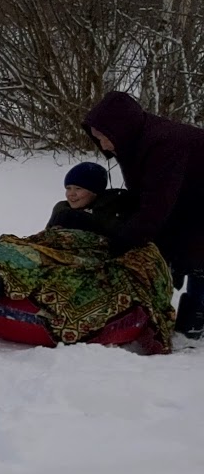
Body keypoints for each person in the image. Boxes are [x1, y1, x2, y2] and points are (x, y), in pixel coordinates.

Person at [0, 162, 176, 352]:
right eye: (68, 188)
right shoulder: (62, 208)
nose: (71, 194)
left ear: (95, 191)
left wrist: (81, 226)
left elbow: (112, 241)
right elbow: (49, 237)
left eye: (79, 189)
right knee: (6, 247)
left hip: (83, 258)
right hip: (54, 250)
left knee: (21, 259)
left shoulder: (112, 209)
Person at [82, 91, 204, 339]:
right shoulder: (134, 142)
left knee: (198, 256)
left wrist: (121, 244)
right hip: (190, 199)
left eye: (105, 138)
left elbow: (155, 207)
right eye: (97, 139)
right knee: (177, 247)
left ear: (120, 129)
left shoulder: (164, 143)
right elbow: (146, 197)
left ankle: (197, 316)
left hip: (198, 202)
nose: (103, 145)